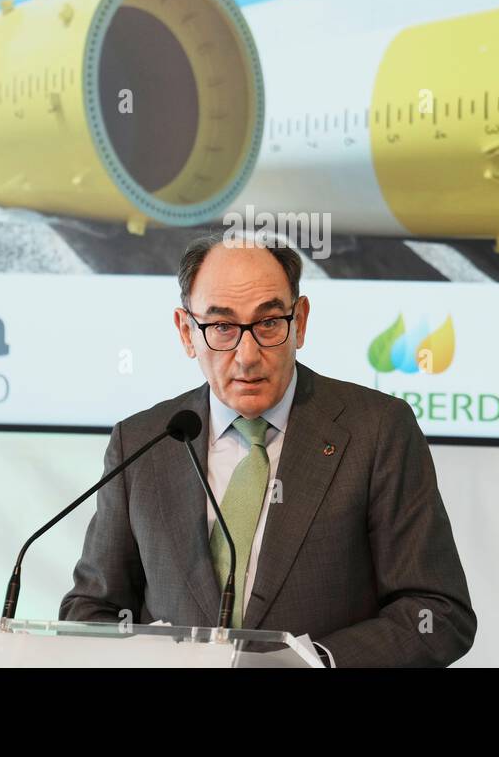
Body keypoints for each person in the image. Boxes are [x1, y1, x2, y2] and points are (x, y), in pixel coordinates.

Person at [60, 231, 476, 667]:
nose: (247, 355)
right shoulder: (144, 440)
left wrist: (316, 663)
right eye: (221, 327)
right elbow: (90, 611)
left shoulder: (377, 430)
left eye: (268, 323)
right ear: (186, 332)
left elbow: (438, 612)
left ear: (300, 321)